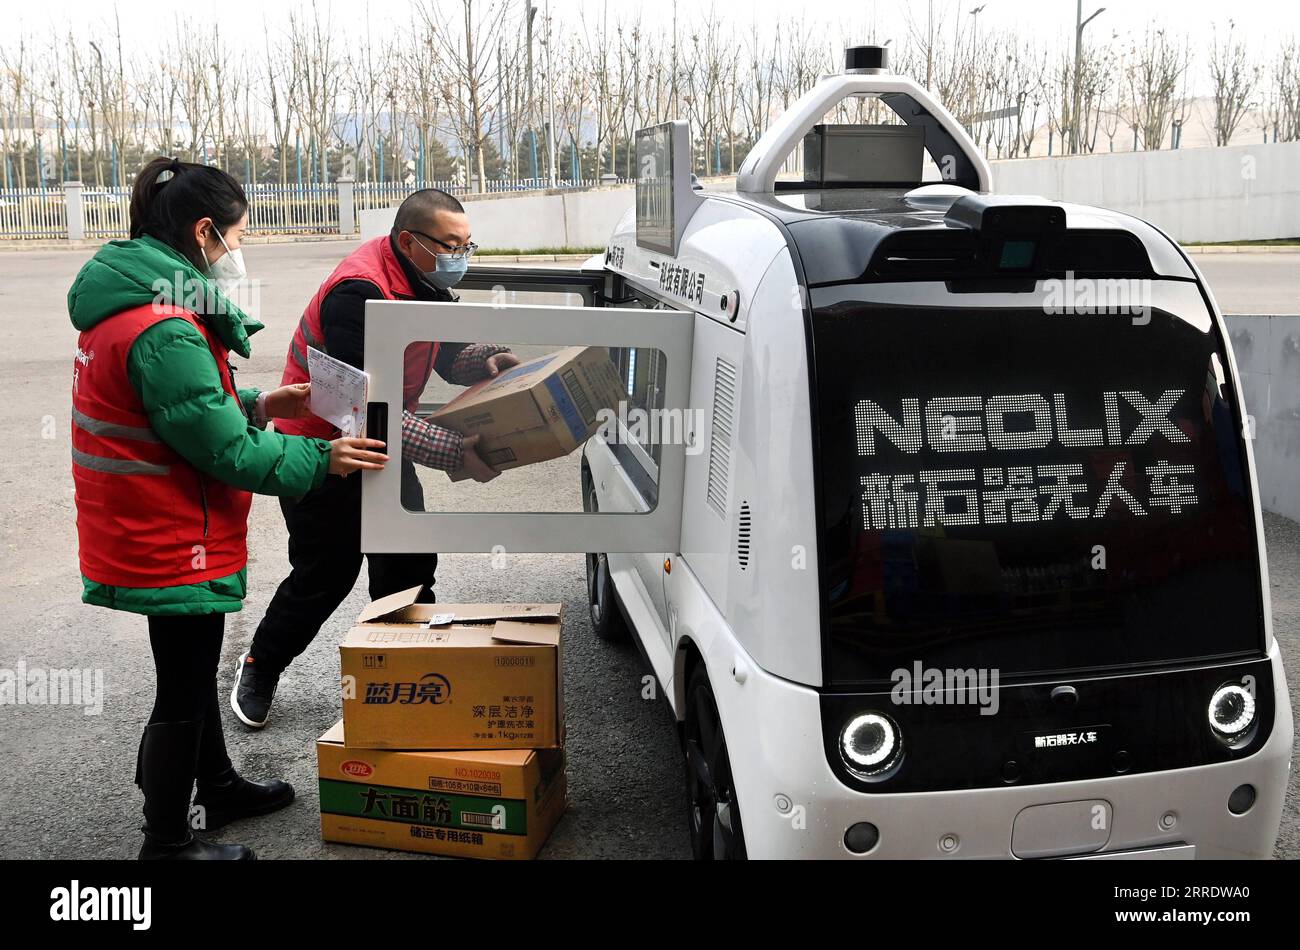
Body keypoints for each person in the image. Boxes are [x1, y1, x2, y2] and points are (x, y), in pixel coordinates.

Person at [69, 157, 389, 860]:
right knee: (181, 691)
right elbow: (226, 453)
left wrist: (261, 404)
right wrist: (321, 458)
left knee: (192, 670)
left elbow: (183, 418)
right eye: (238, 237)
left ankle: (215, 783)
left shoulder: (135, 305)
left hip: (158, 522)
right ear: (205, 233)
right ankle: (166, 845)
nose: (240, 253)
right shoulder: (165, 328)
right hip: (167, 532)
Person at [231, 189, 520, 729]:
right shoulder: (357, 293)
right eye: (450, 245)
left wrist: (485, 360)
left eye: (467, 245)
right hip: (322, 447)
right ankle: (261, 665)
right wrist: (453, 450)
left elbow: (445, 351)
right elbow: (360, 407)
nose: (460, 256)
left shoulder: (423, 278)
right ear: (409, 241)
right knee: (325, 573)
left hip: (384, 442)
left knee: (408, 564)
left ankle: (410, 679)